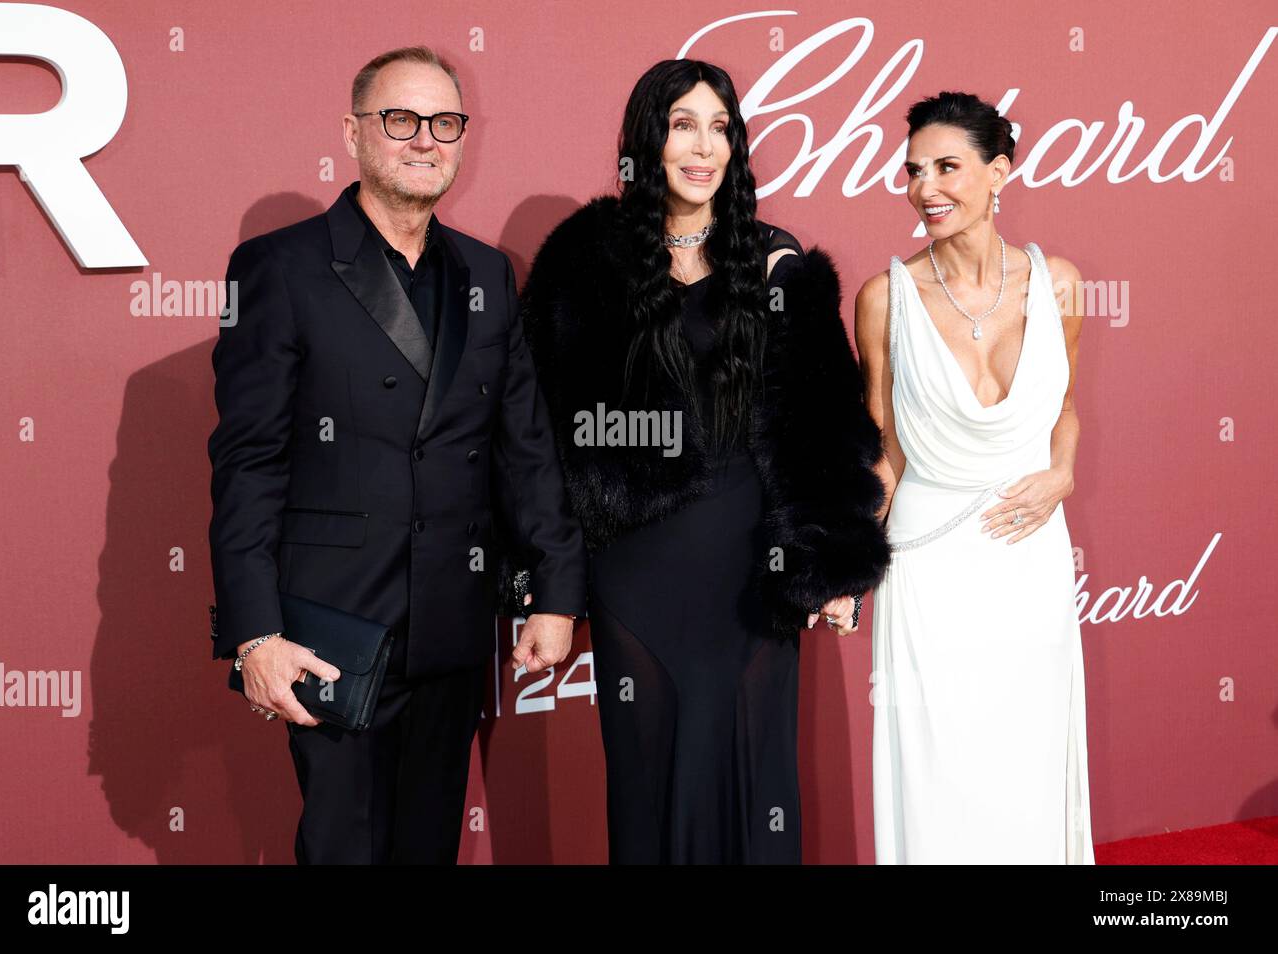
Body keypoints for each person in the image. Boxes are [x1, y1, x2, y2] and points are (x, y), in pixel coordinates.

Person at [206, 46, 586, 864]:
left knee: (426, 847)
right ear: (353, 134)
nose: (425, 140)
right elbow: (248, 461)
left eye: (444, 122)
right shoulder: (280, 268)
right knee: (344, 848)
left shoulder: (487, 274)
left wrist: (555, 591)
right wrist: (253, 634)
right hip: (329, 630)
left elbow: (523, 445)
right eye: (400, 120)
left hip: (450, 620)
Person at [517, 59, 890, 864]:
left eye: (720, 127)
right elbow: (545, 433)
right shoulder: (584, 262)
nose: (703, 146)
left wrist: (829, 561)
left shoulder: (777, 264)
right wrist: (548, 586)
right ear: (646, 139)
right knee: (648, 782)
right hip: (636, 568)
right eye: (683, 124)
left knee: (756, 779)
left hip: (752, 562)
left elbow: (825, 425)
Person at [854, 91, 1094, 863]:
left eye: (948, 167)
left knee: (1026, 756)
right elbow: (884, 448)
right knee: (939, 769)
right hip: (927, 560)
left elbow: (1064, 407)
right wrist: (842, 560)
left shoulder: (1057, 282)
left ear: (999, 173)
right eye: (915, 170)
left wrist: (1062, 471)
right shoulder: (884, 297)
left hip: (1030, 552)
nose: (926, 187)